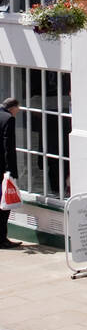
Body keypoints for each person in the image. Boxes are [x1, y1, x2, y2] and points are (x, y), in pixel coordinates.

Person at [0, 97, 20, 249]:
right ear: (13, 108)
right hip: (3, 170)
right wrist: (11, 171)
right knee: (4, 205)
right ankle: (2, 239)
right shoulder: (9, 119)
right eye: (17, 110)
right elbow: (9, 147)